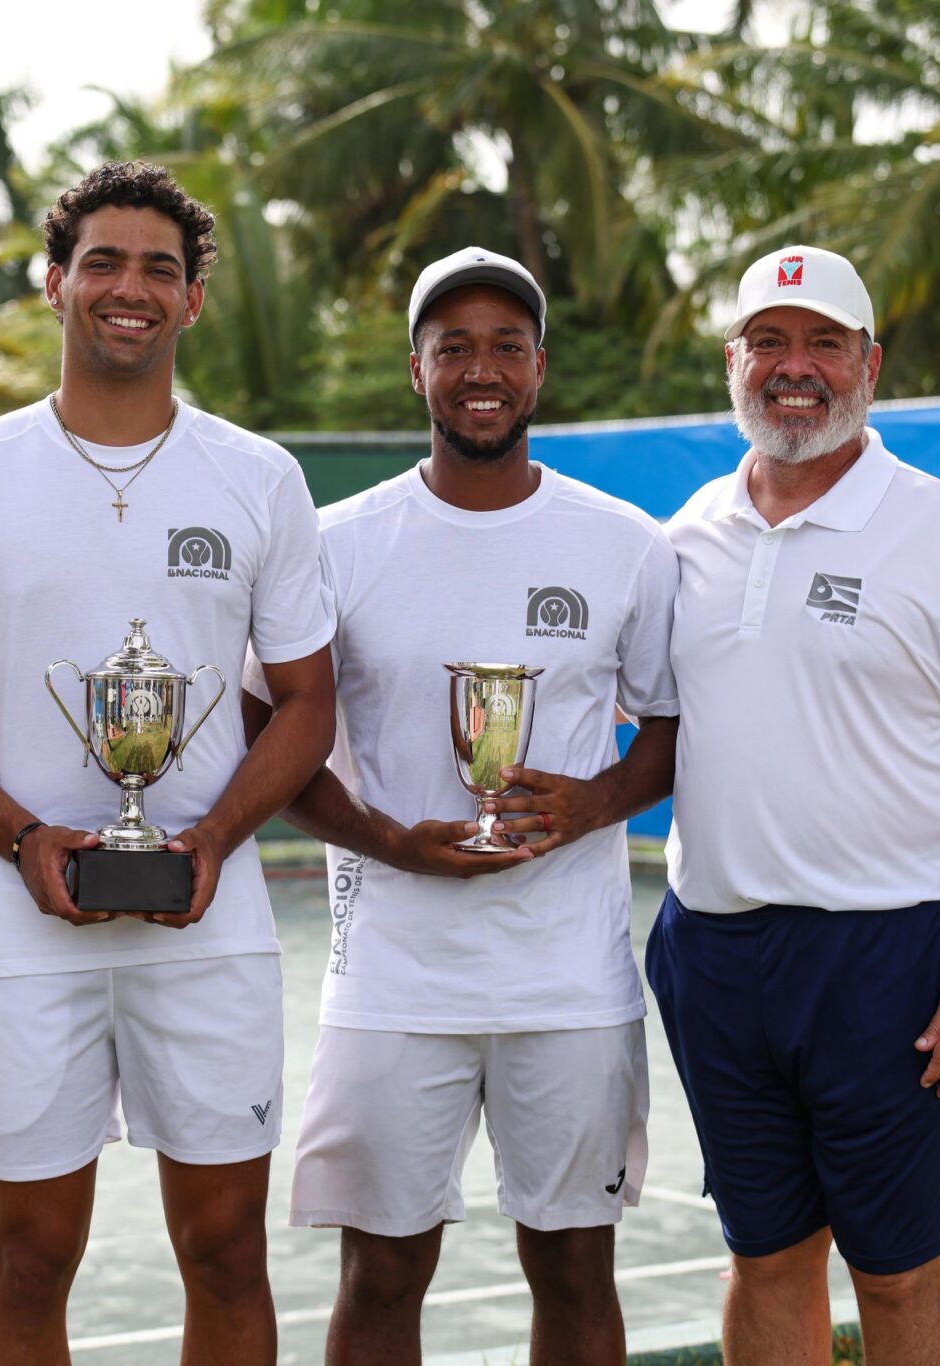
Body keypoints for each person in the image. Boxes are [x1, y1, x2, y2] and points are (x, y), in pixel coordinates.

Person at [0, 161, 336, 1364]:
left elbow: (308, 704)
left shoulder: (258, 477)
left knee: (226, 1248)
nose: (131, 288)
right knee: (30, 1256)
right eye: (105, 263)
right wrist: (23, 839)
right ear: (56, 281)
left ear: (192, 300)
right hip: (23, 924)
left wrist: (212, 839)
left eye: (160, 269)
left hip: (208, 921)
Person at [245, 246, 680, 1365]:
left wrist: (590, 804)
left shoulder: (625, 544)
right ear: (415, 369)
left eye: (503, 346)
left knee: (574, 1263)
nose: (478, 369)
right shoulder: (335, 544)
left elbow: (673, 731)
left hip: (569, 980)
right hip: (391, 978)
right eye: (452, 348)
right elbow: (263, 729)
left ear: (537, 370)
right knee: (381, 1269)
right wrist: (388, 840)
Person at [649, 245, 940, 1365]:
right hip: (715, 950)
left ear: (868, 363)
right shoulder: (685, 533)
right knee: (764, 1254)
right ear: (733, 362)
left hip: (890, 959)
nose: (795, 368)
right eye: (769, 342)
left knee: (895, 1266)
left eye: (822, 343)